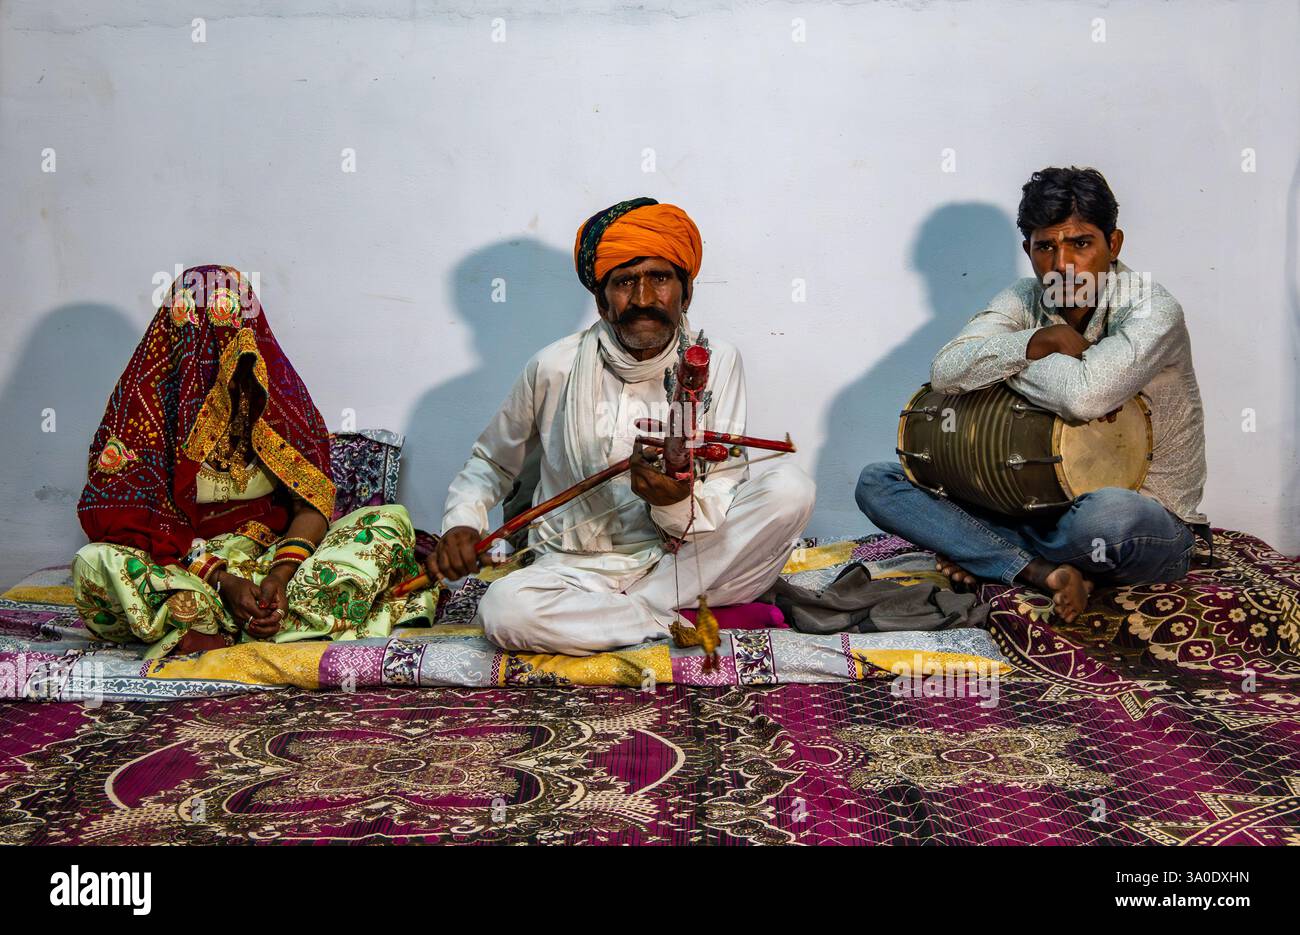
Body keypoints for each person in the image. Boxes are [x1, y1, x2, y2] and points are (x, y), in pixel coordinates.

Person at [430, 198, 816, 654]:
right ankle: (673, 615)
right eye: (624, 282)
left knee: (791, 486)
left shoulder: (717, 360)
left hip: (683, 559)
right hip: (574, 568)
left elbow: (724, 485)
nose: (643, 299)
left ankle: (632, 614)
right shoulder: (554, 365)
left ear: (686, 292)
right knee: (505, 611)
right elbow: (491, 463)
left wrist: (673, 504)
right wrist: (462, 524)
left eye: (659, 278)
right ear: (600, 299)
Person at [856, 167, 1208, 622]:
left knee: (1108, 517)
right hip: (1035, 506)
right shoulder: (1024, 299)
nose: (1062, 264)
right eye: (1046, 247)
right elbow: (946, 371)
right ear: (1029, 250)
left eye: (1080, 243)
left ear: (1113, 244)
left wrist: (1005, 363)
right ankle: (1043, 571)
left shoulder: (1151, 308)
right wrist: (1037, 341)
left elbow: (1085, 395)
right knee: (880, 481)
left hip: (1149, 519)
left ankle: (981, 549)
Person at [73, 265, 421, 656]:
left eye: (233, 340)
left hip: (271, 560)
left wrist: (281, 575)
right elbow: (118, 523)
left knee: (390, 522)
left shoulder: (275, 397)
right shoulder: (143, 408)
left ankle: (234, 626)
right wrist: (222, 580)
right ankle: (274, 626)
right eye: (205, 344)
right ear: (175, 336)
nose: (220, 357)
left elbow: (312, 503)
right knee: (94, 564)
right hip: (187, 569)